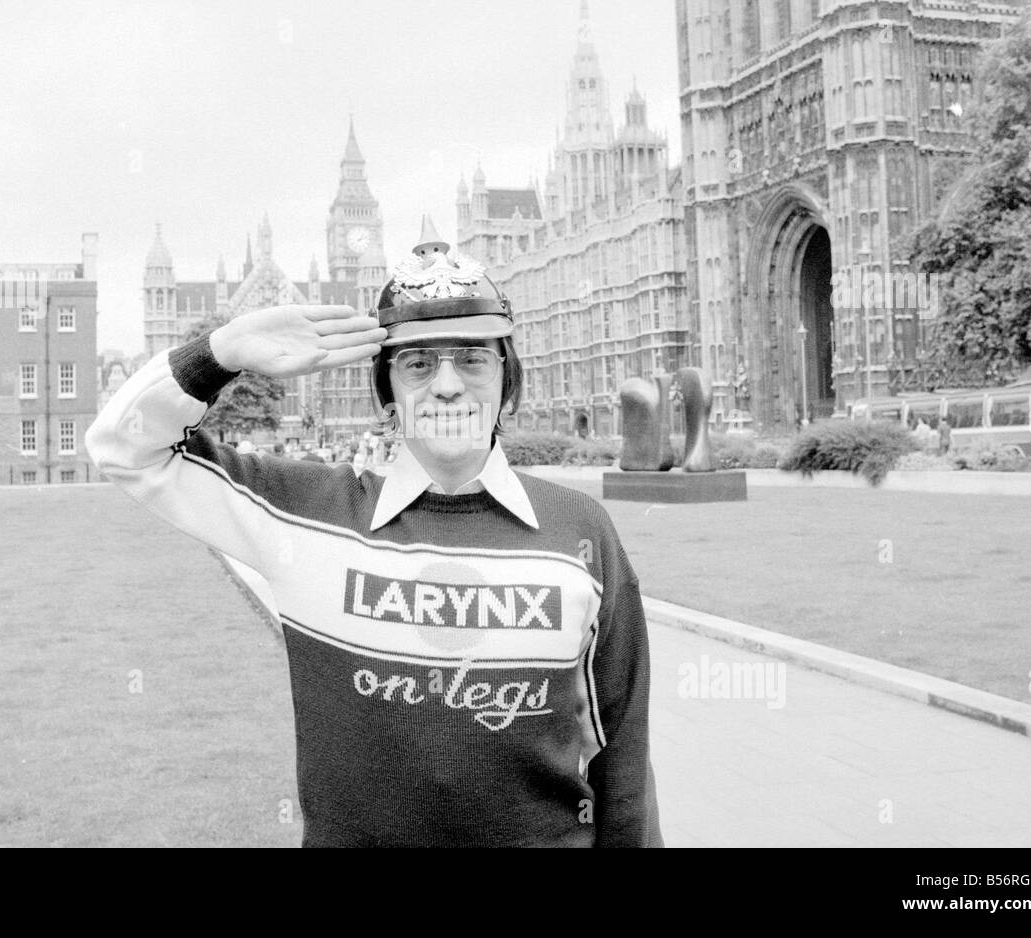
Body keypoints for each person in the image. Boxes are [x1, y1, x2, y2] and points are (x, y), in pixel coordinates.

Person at [86, 218, 661, 848]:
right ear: (387, 396)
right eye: (416, 365)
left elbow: (623, 771)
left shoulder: (582, 534)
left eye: (472, 359)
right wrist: (219, 351)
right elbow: (124, 448)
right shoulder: (307, 513)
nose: (447, 384)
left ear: (509, 384)